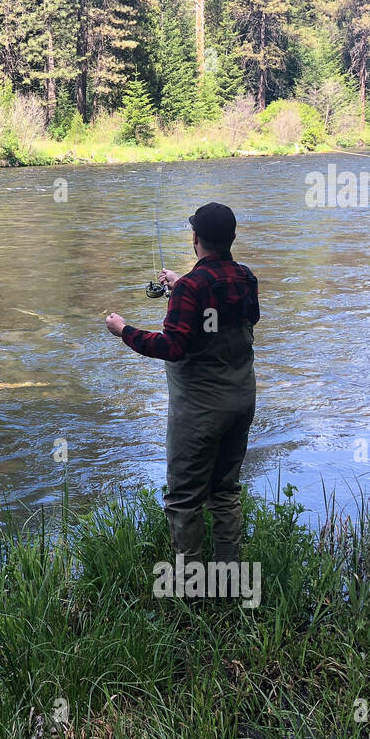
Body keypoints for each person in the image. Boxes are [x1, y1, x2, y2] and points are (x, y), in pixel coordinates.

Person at [105, 202, 259, 569]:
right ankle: (228, 581)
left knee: (184, 498)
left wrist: (123, 330)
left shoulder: (192, 287)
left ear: (195, 238)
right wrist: (182, 289)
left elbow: (172, 347)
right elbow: (234, 318)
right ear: (232, 237)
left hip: (201, 410)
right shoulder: (246, 277)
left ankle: (191, 592)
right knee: (224, 492)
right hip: (241, 400)